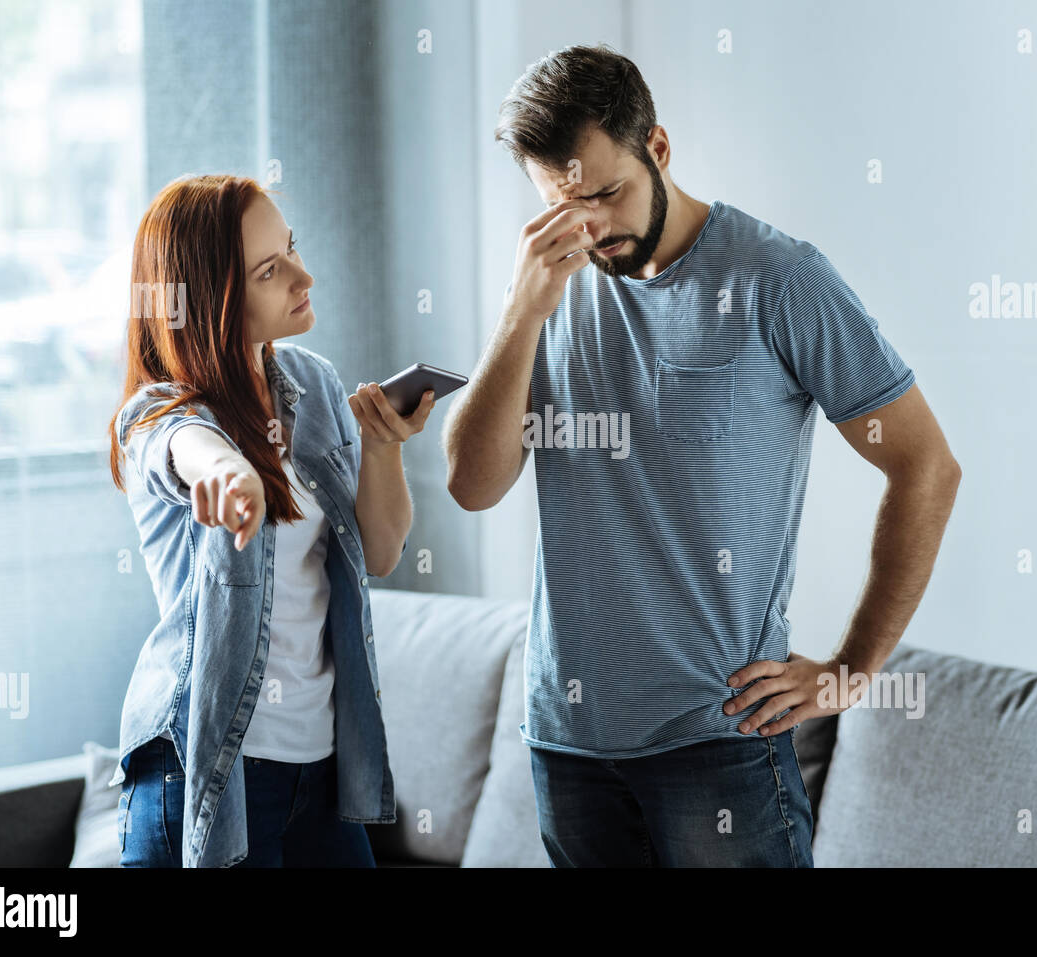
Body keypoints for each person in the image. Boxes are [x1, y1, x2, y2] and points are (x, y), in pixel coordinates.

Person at [443, 44, 962, 867]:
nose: (595, 226)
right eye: (565, 206)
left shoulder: (778, 280)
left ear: (658, 147)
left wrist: (848, 670)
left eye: (608, 193)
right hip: (566, 743)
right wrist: (519, 314)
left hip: (717, 742)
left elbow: (926, 464)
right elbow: (472, 484)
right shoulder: (548, 290)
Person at [107, 173, 433, 867]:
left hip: (320, 770)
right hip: (207, 772)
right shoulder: (158, 414)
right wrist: (225, 471)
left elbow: (379, 551)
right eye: (270, 269)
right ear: (217, 299)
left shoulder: (313, 384)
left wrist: (382, 446)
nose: (303, 274)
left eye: (292, 249)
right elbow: (183, 446)